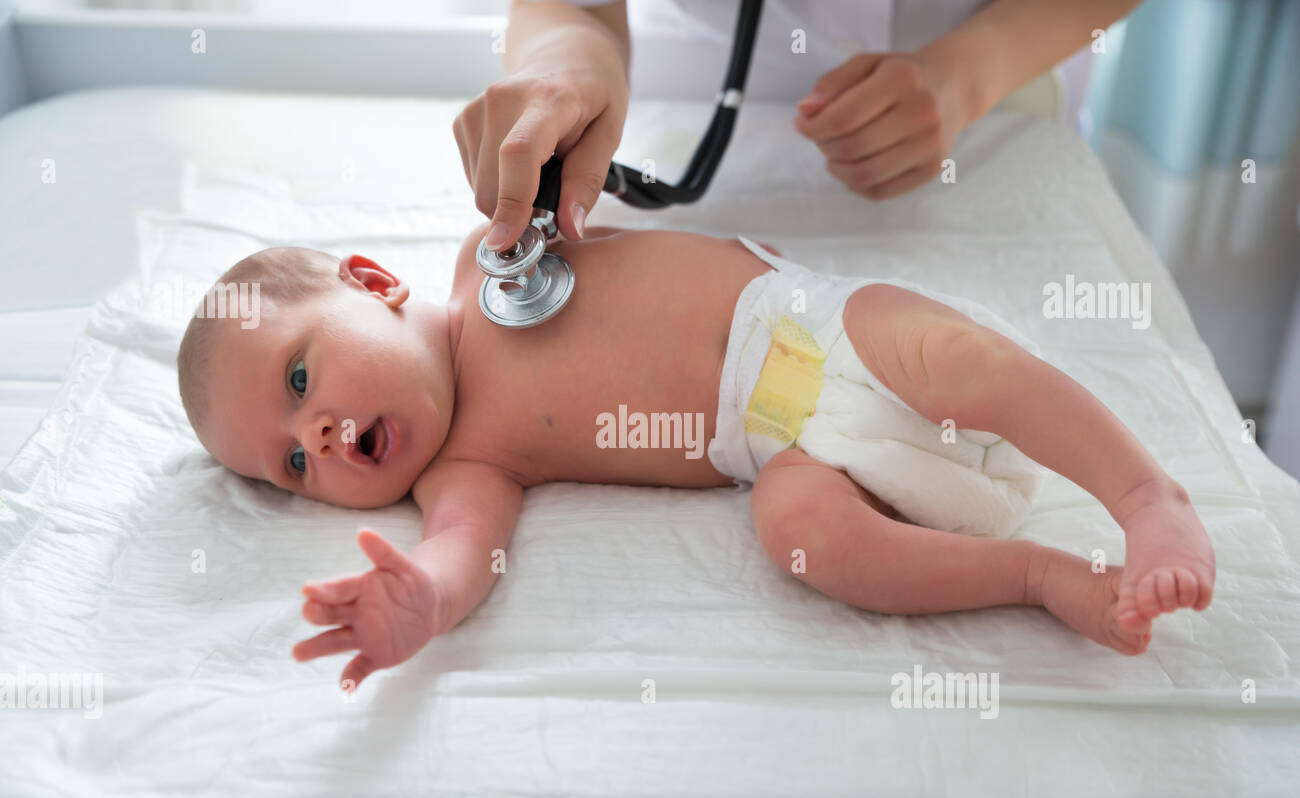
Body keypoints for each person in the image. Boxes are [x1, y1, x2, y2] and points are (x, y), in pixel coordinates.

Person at [175, 220, 1215, 688]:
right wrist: (426, 605)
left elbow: (562, 159)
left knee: (951, 358)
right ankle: (1039, 575)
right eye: (290, 466)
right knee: (799, 536)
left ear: (370, 281)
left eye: (301, 380)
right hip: (787, 446)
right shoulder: (468, 469)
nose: (313, 437)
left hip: (815, 325)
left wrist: (536, 161)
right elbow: (464, 549)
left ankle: (1142, 493)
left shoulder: (492, 251)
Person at [454, 0, 1142, 253]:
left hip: (990, 113)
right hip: (689, 100)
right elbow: (571, 8)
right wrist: (564, 68)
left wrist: (966, 75)